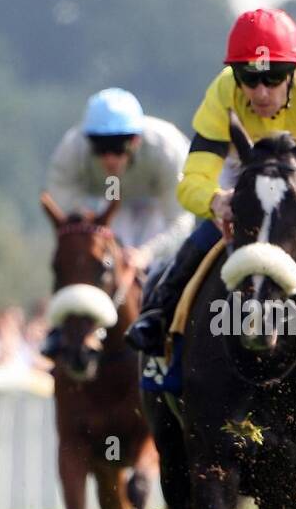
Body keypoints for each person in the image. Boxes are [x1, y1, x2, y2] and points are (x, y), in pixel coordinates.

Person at [124, 8, 296, 354]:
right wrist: (214, 200)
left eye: (274, 77)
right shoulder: (223, 92)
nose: (261, 92)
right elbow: (192, 181)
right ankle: (159, 313)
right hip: (241, 173)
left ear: (293, 73)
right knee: (204, 231)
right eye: (249, 78)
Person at [42, 89, 192, 355]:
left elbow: (180, 222)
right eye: (100, 148)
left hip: (158, 210)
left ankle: (175, 330)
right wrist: (102, 238)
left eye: (118, 147)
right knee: (79, 259)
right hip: (100, 211)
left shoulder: (167, 148)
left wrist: (145, 254)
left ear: (135, 140)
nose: (109, 158)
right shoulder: (71, 149)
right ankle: (61, 332)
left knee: (167, 268)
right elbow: (67, 215)